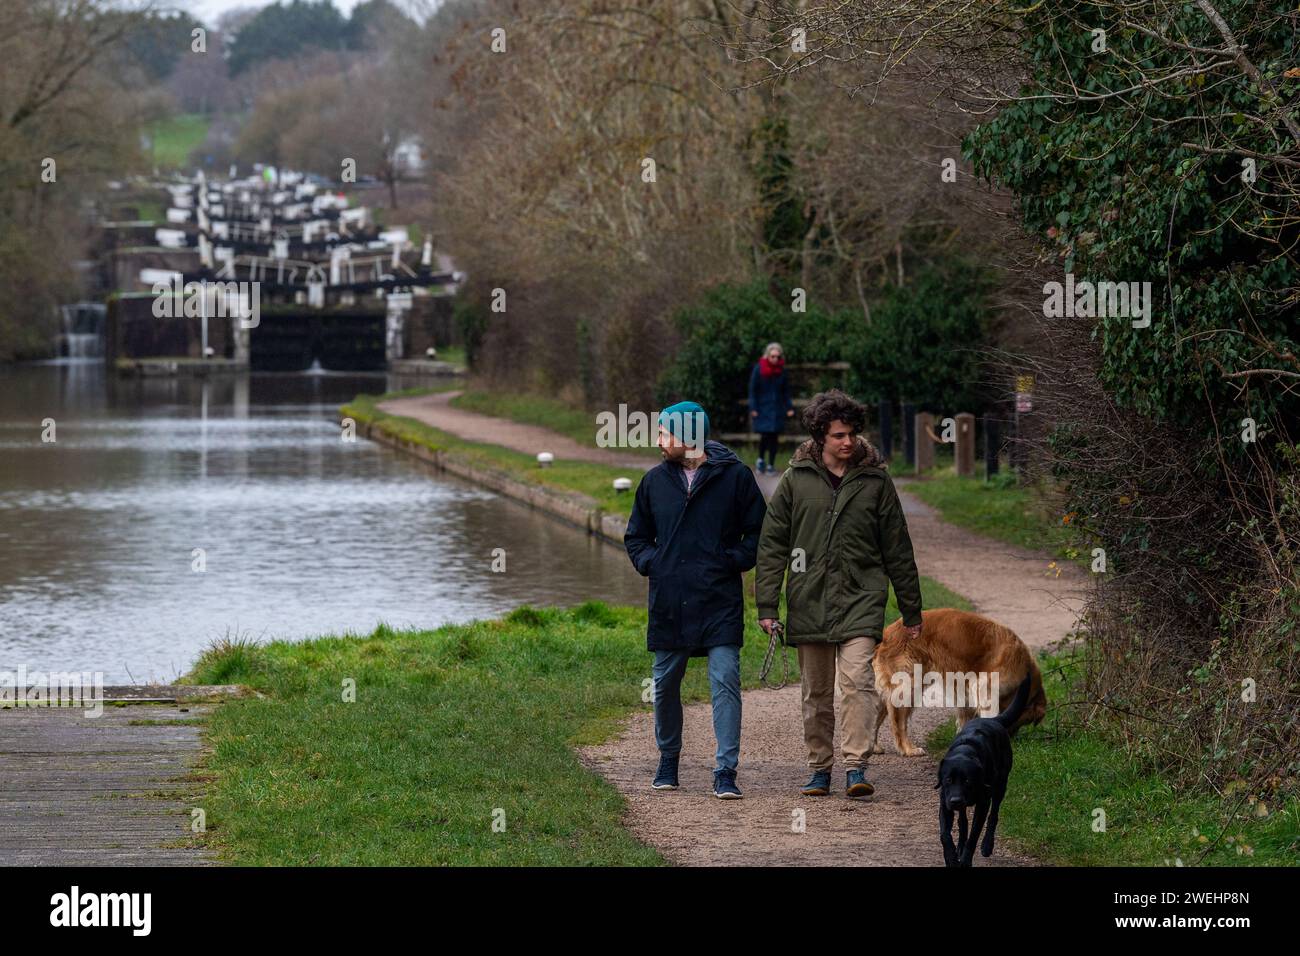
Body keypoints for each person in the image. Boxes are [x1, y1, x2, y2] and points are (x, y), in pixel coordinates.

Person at [754, 389, 923, 798]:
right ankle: (818, 768)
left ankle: (855, 766)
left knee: (858, 681)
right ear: (819, 437)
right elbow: (773, 544)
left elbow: (897, 546)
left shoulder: (876, 481)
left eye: (851, 434)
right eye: (838, 436)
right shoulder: (795, 480)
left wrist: (912, 609)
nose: (847, 442)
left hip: (861, 597)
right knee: (816, 691)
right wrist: (766, 604)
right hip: (808, 598)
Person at [624, 401, 767, 799]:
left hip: (719, 599)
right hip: (669, 602)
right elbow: (635, 537)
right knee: (665, 684)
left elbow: (758, 535)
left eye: (664, 433)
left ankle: (725, 771)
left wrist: (729, 561)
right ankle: (668, 760)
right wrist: (655, 564)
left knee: (725, 681)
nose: (657, 440)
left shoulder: (736, 478)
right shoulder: (653, 481)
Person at [748, 342, 794, 474]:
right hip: (762, 409)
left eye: (777, 357)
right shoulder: (759, 369)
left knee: (774, 438)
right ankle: (761, 459)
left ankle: (771, 465)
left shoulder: (782, 371)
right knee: (765, 436)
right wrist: (753, 408)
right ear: (767, 355)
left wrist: (789, 407)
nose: (775, 359)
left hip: (777, 409)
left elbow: (785, 391)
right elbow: (753, 390)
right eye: (772, 356)